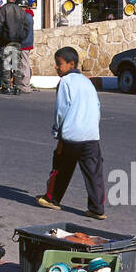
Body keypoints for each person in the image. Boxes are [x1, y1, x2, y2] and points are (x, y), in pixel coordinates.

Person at [36, 47, 105, 218]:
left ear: (71, 64)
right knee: (94, 172)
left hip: (71, 135)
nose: (57, 68)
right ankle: (97, 208)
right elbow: (97, 107)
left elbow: (61, 110)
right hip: (91, 135)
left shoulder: (65, 82)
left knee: (61, 167)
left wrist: (57, 131)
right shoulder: (87, 82)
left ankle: (52, 198)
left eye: (59, 64)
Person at [0, 0, 31, 94]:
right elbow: (26, 27)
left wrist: (0, 37)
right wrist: (22, 37)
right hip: (18, 41)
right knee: (16, 64)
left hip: (6, 41)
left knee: (6, 64)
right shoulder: (21, 11)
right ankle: (17, 87)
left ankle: (7, 86)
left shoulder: (4, 9)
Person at [19, 0, 35, 94]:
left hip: (24, 43)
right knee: (24, 63)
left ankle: (25, 86)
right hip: (28, 42)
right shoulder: (29, 16)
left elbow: (23, 31)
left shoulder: (25, 17)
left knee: (24, 64)